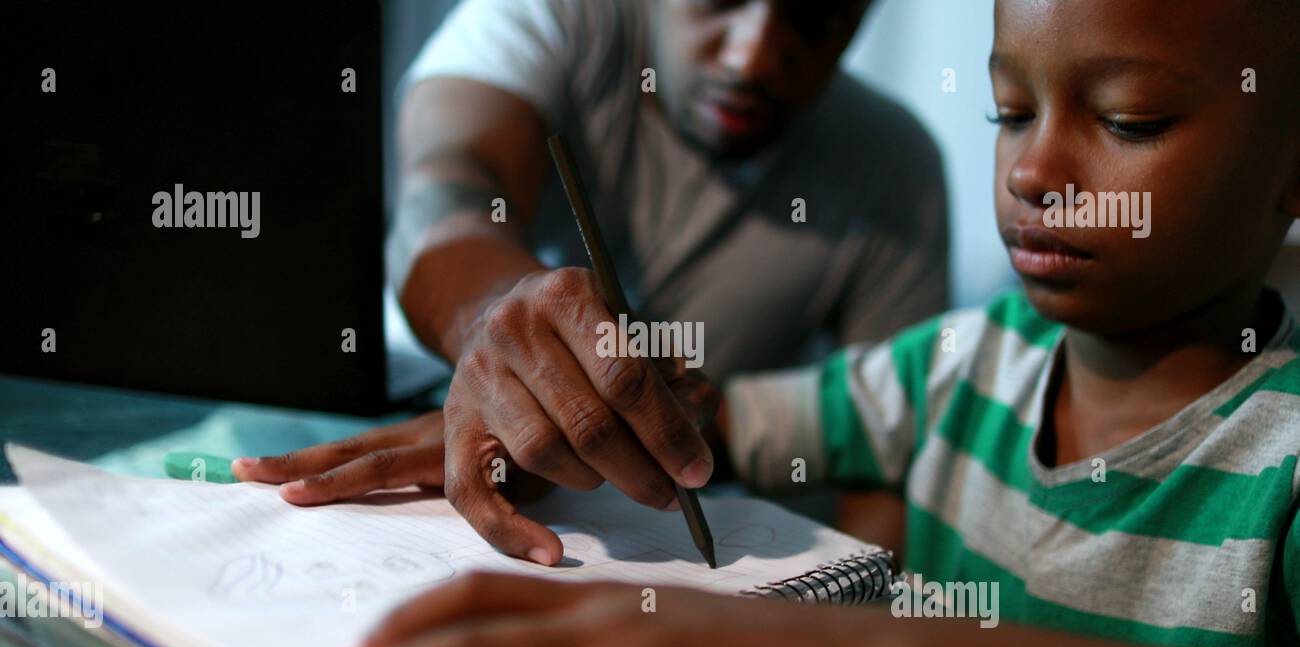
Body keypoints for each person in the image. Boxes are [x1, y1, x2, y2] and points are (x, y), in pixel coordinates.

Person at [338, 0, 1300, 647]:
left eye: (1129, 120)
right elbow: (710, 419)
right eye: (1009, 113)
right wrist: (555, 407)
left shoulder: (1282, 466)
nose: (1033, 168)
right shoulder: (951, 366)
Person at [233, 0, 950, 564]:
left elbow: (883, 454)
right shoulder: (554, 14)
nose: (752, 55)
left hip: (673, 539)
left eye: (816, 17)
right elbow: (447, 189)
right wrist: (494, 320)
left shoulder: (897, 169)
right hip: (400, 431)